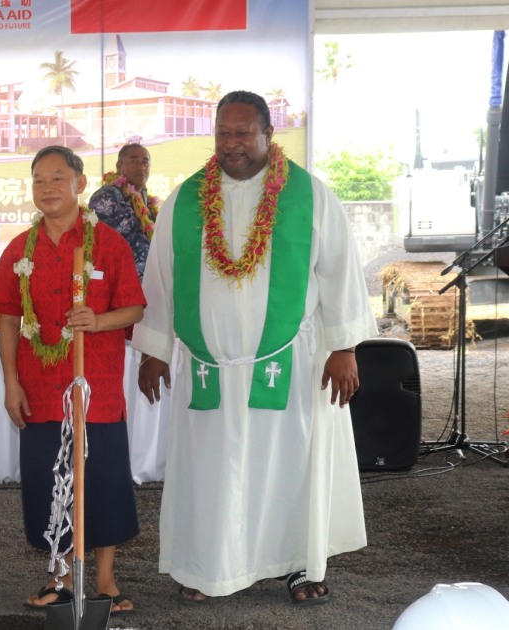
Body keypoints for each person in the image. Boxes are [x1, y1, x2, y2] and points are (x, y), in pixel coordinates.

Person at [132, 90, 377, 605]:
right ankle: (208, 568)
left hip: (288, 363)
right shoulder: (185, 199)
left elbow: (339, 271)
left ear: (268, 135)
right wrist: (154, 349)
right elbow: (160, 278)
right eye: (224, 132)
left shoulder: (309, 195)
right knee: (210, 472)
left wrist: (344, 346)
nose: (232, 143)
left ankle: (297, 566)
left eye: (244, 132)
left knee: (290, 469)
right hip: (208, 365)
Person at [0, 145, 145, 616]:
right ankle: (59, 579)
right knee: (48, 484)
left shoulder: (107, 243)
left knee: (102, 482)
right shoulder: (19, 249)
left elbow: (133, 308)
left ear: (79, 183)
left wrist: (98, 320)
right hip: (40, 391)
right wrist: (11, 384)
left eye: (57, 177)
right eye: (38, 180)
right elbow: (7, 319)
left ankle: (107, 583)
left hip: (96, 390)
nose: (47, 187)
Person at [88, 143, 158, 279]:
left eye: (145, 162)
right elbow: (114, 240)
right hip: (119, 281)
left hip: (148, 282)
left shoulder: (145, 199)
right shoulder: (107, 195)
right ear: (119, 166)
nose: (141, 166)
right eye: (134, 161)